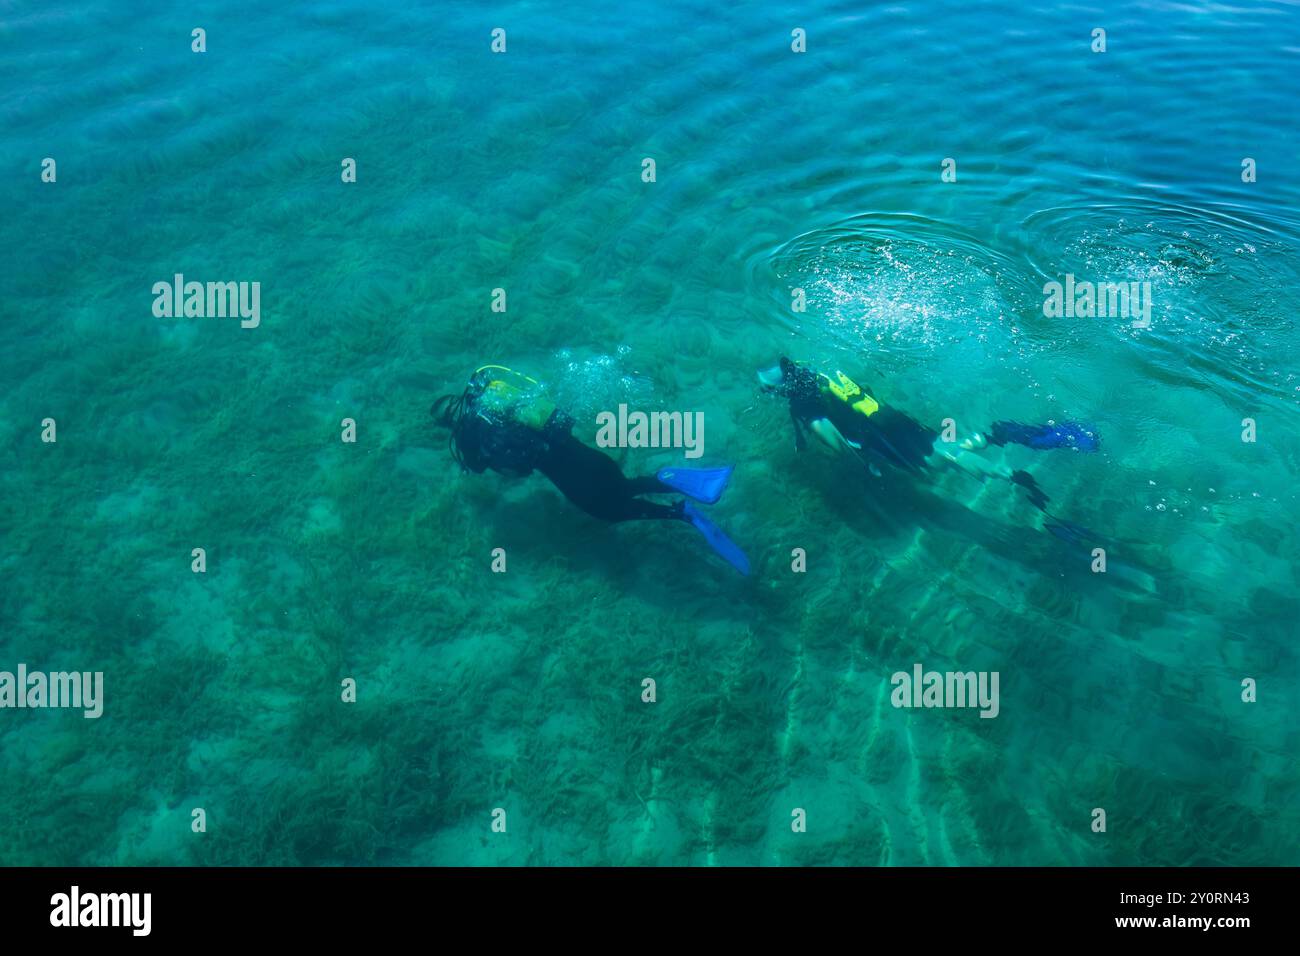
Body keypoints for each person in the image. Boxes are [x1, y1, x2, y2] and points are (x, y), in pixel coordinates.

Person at [432, 365, 750, 575]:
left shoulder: (469, 439)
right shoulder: (495, 397)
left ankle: (681, 512)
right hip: (588, 457)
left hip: (569, 479)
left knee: (608, 510)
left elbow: (483, 467)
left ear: (449, 422)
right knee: (622, 486)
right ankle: (666, 479)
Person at [757, 356, 1099, 513]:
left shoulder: (803, 405)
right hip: (891, 418)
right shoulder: (815, 372)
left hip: (883, 437)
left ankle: (1011, 474)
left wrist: (865, 463)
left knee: (942, 459)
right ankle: (996, 436)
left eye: (770, 391)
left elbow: (834, 445)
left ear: (783, 387)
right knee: (941, 449)